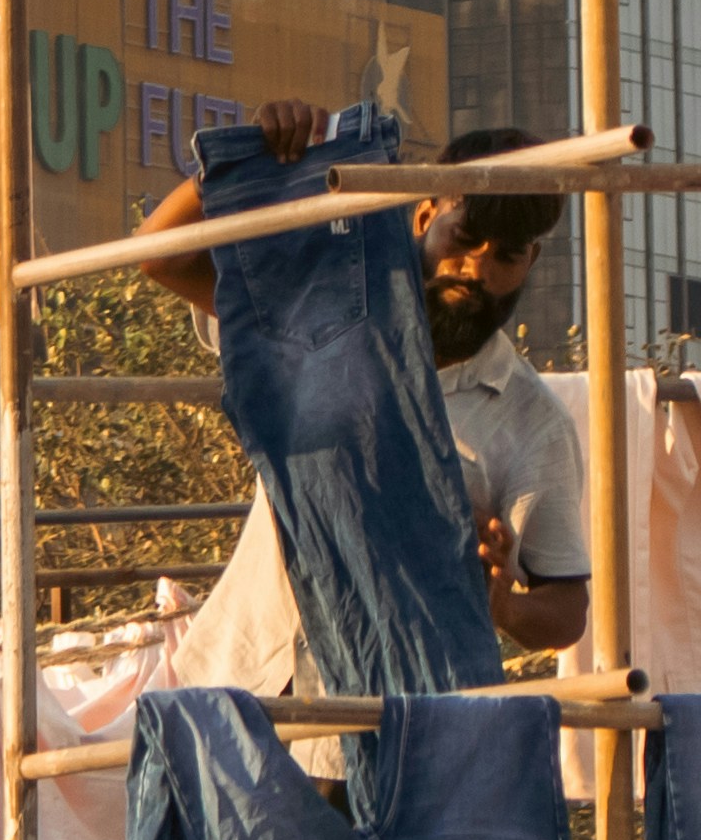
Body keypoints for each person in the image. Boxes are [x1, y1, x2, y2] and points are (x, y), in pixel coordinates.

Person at [139, 103, 589, 659]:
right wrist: (250, 156)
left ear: (532, 260)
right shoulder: (323, 318)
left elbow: (567, 610)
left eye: (507, 256)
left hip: (387, 707)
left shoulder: (534, 424)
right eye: (465, 238)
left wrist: (503, 607)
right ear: (425, 216)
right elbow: (159, 255)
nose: (477, 269)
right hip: (244, 672)